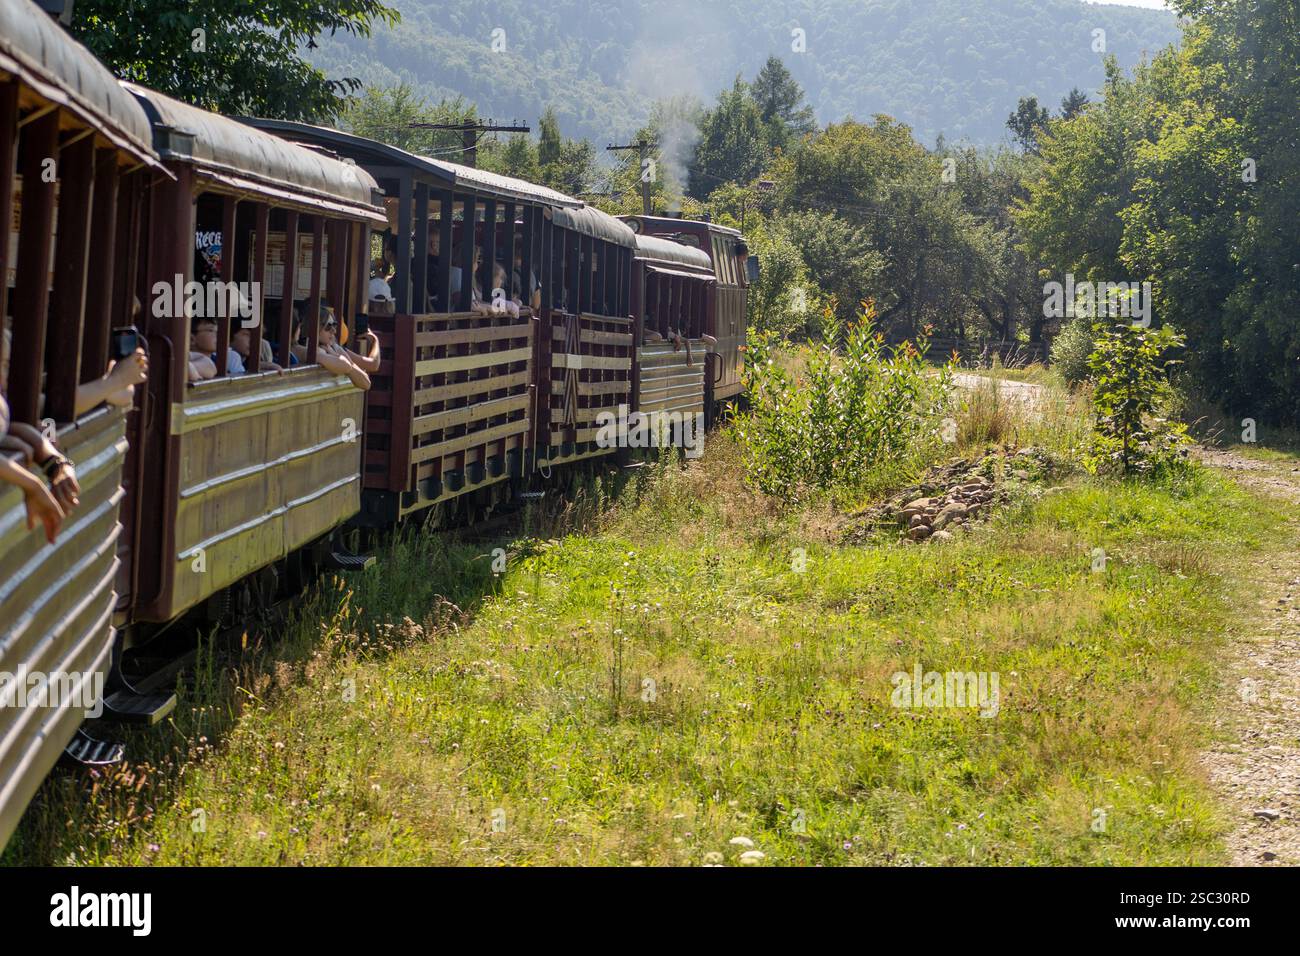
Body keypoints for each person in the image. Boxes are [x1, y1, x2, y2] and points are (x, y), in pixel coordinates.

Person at [188, 315, 241, 380]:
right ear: (192, 339)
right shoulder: (184, 358)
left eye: (218, 331)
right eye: (211, 330)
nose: (218, 335)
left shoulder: (224, 361)